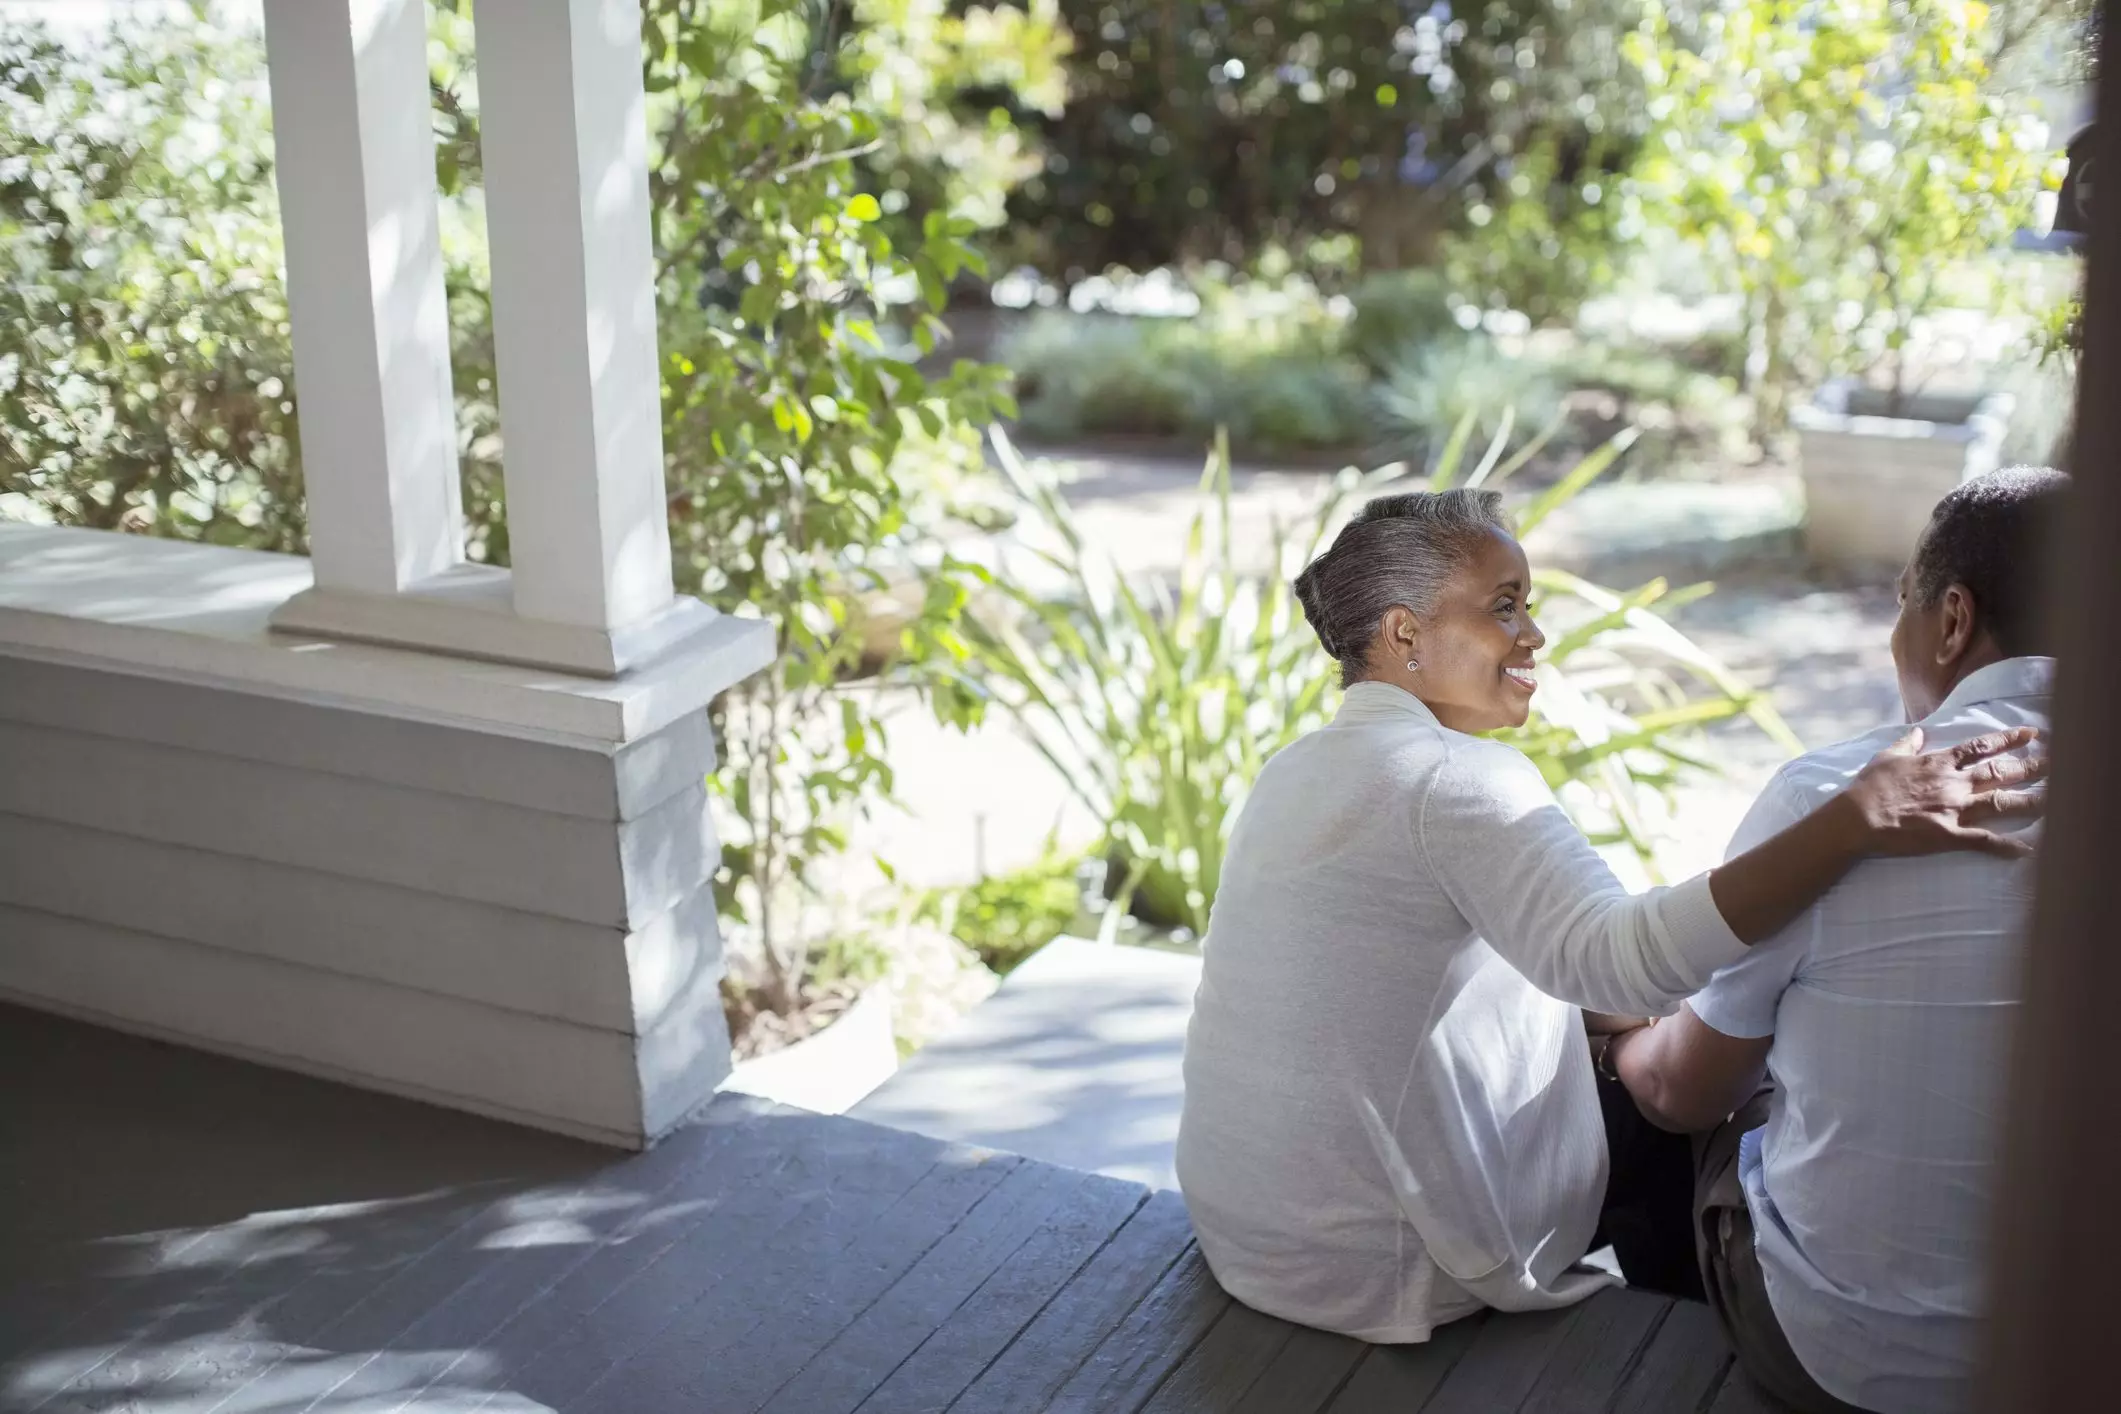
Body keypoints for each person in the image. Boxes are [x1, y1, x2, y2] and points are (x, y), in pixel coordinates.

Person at [1174, 487, 2043, 1346]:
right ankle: (1676, 1350)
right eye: (1502, 607)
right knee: (1684, 1098)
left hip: (1259, 1240)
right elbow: (1623, 964)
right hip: (1391, 1268)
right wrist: (1854, 817)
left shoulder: (1300, 767)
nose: (1533, 633)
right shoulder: (1455, 780)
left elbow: (1521, 970)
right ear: (1405, 635)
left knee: (1658, 1044)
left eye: (1529, 604)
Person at [1607, 466, 2067, 1414]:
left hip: (1861, 1360)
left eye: (1900, 604)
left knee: (1656, 1074)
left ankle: (1659, 1353)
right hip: (2078, 1353)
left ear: (1950, 620)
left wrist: (1614, 1037)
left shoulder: (1839, 795)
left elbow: (1681, 1093)